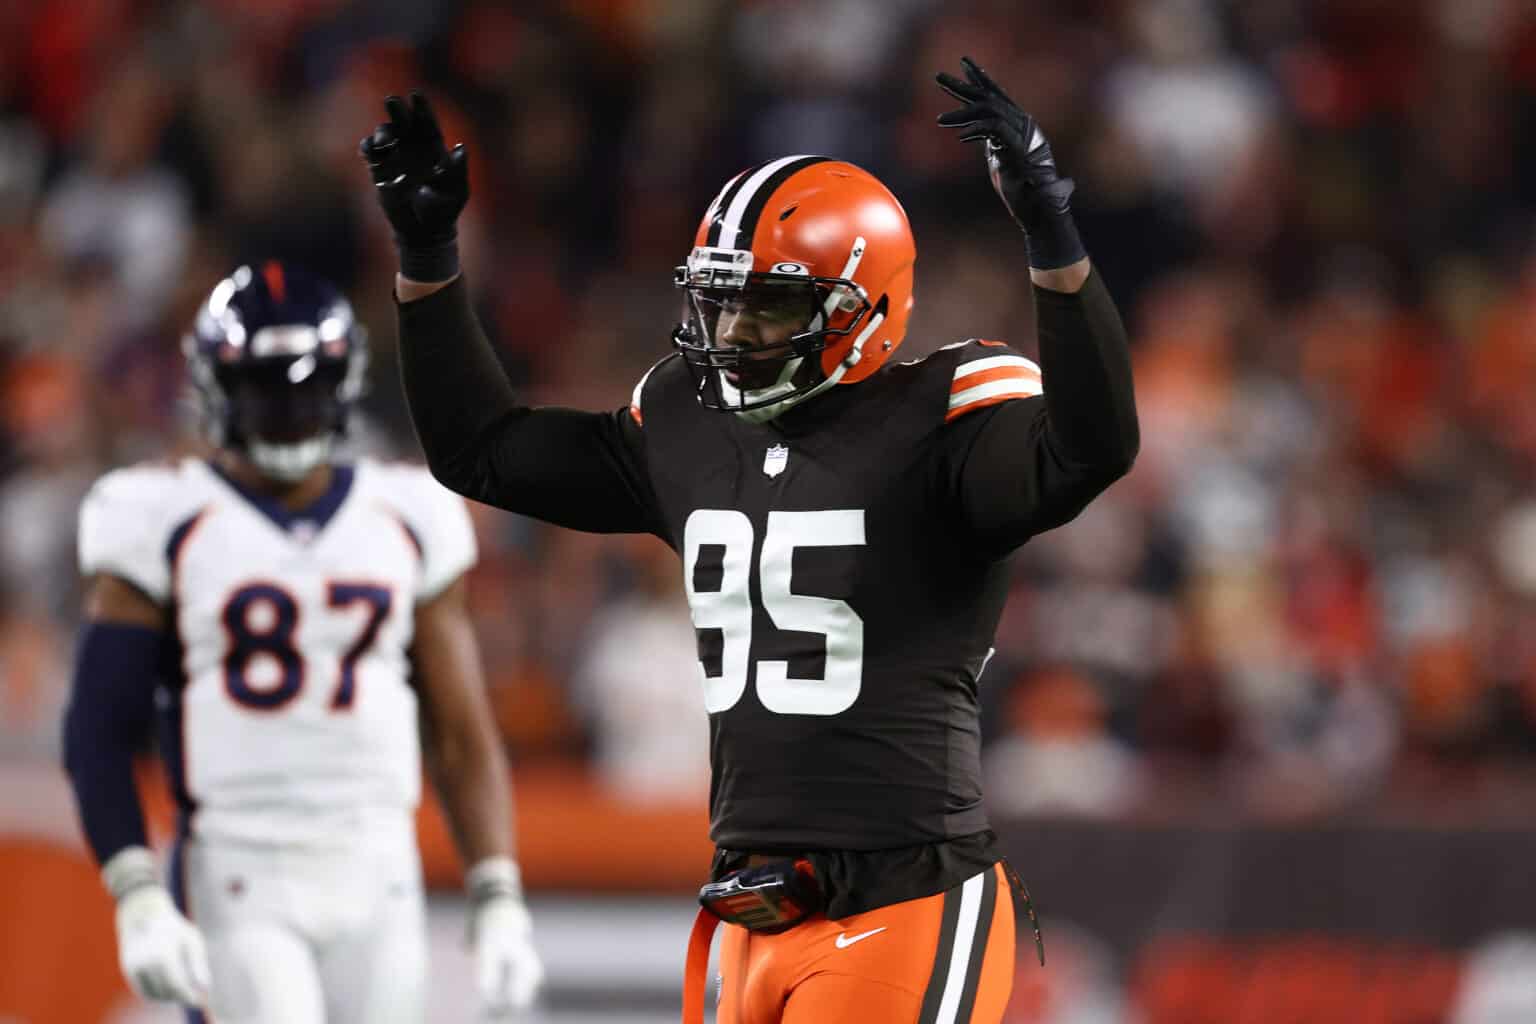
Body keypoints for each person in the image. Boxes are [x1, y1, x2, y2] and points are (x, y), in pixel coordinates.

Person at [360, 55, 1137, 1024]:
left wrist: (1053, 242)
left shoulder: (944, 417)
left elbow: (1092, 445)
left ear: (863, 307)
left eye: (769, 303)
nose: (734, 329)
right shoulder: (688, 419)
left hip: (900, 896)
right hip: (752, 905)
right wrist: (429, 258)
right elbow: (484, 451)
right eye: (723, 298)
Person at [61, 261, 544, 1023]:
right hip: (237, 865)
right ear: (217, 387)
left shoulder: (407, 513)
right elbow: (97, 730)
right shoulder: (160, 517)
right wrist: (136, 890)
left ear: (342, 383)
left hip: (380, 866)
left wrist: (497, 888)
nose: (287, 410)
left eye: (305, 387)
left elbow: (459, 730)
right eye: (264, 389)